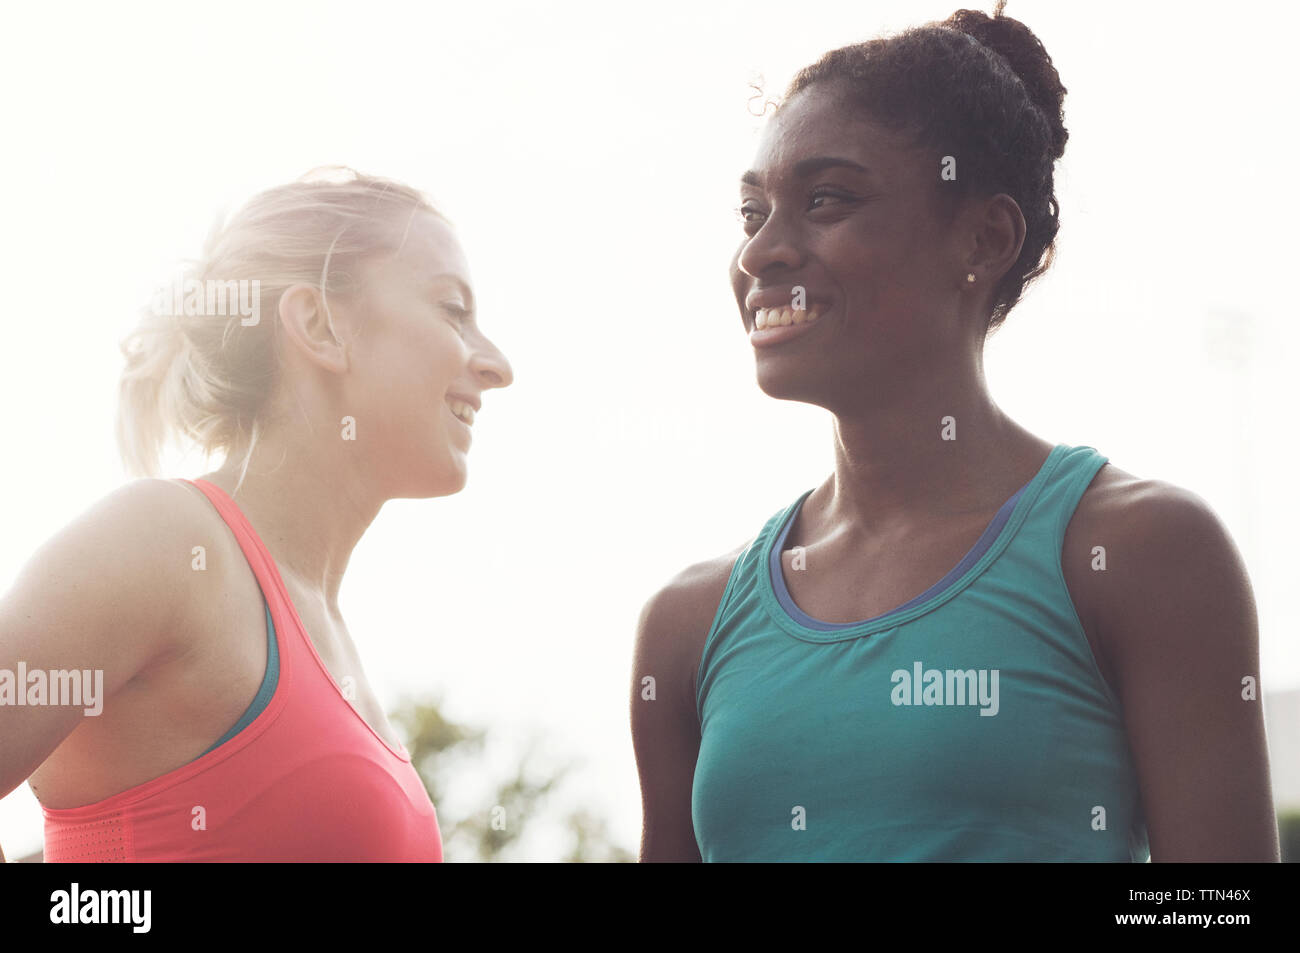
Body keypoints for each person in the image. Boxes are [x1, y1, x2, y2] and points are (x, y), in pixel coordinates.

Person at [631, 4, 1279, 862]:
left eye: (825, 200)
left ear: (984, 236)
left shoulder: (1140, 549)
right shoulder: (687, 623)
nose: (761, 254)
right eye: (753, 214)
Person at [0, 167, 512, 861]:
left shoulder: (332, 639)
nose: (496, 364)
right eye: (453, 310)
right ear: (319, 325)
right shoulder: (167, 544)